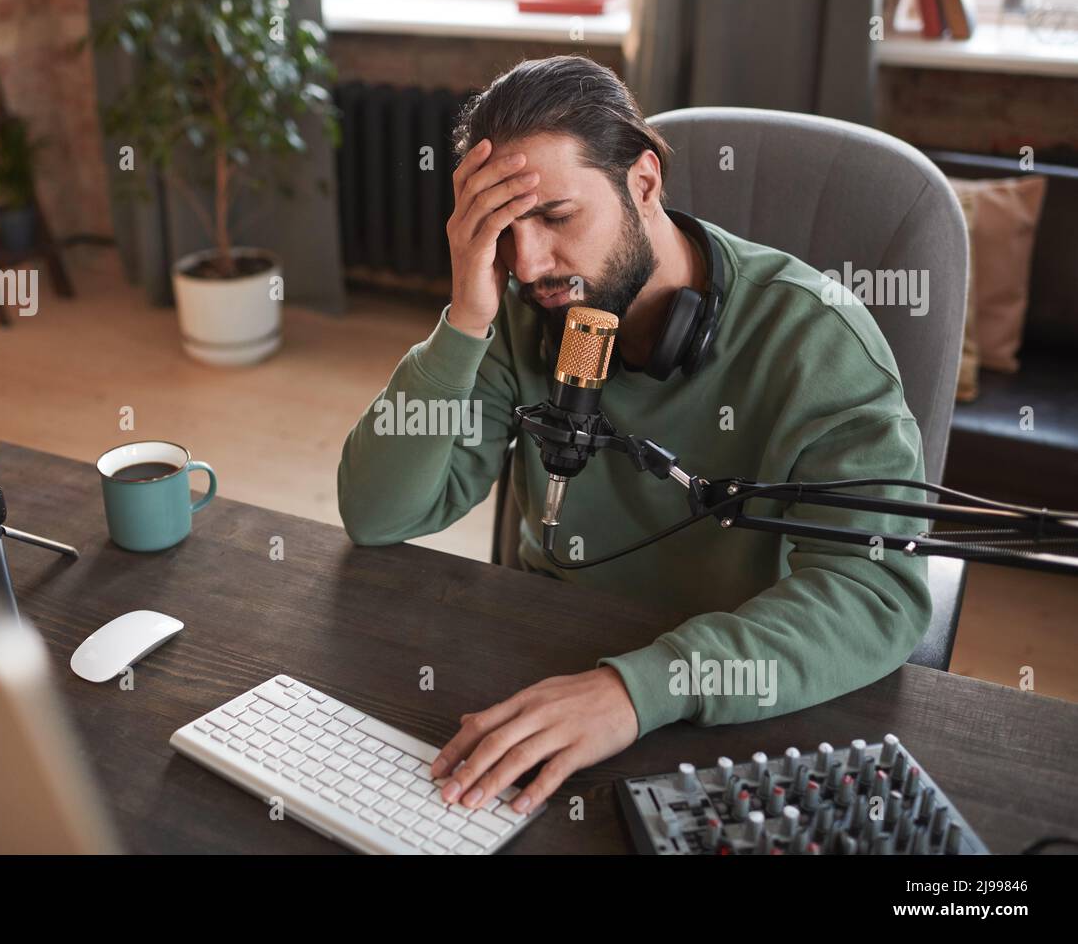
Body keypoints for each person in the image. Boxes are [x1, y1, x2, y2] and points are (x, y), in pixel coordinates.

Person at [337, 56, 931, 818]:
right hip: (544, 665)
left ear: (644, 184)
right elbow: (378, 513)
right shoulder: (521, 311)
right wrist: (466, 320)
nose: (529, 264)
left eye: (554, 217)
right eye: (501, 230)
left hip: (730, 700)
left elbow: (873, 591)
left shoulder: (817, 341)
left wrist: (639, 689)